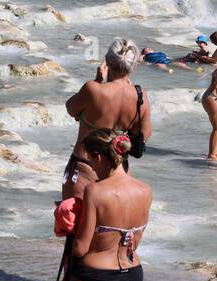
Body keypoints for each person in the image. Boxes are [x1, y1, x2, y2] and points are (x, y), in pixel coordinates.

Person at [69, 130, 152, 281]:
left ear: (98, 157)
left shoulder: (95, 191)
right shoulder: (145, 190)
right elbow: (135, 241)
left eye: (90, 161)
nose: (92, 168)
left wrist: (68, 227)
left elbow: (81, 247)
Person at [62, 38, 151, 199]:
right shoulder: (140, 96)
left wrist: (97, 81)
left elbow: (70, 108)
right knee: (111, 224)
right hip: (119, 169)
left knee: (72, 221)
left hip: (85, 166)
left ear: (107, 61)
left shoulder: (93, 89)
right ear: (133, 66)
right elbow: (145, 134)